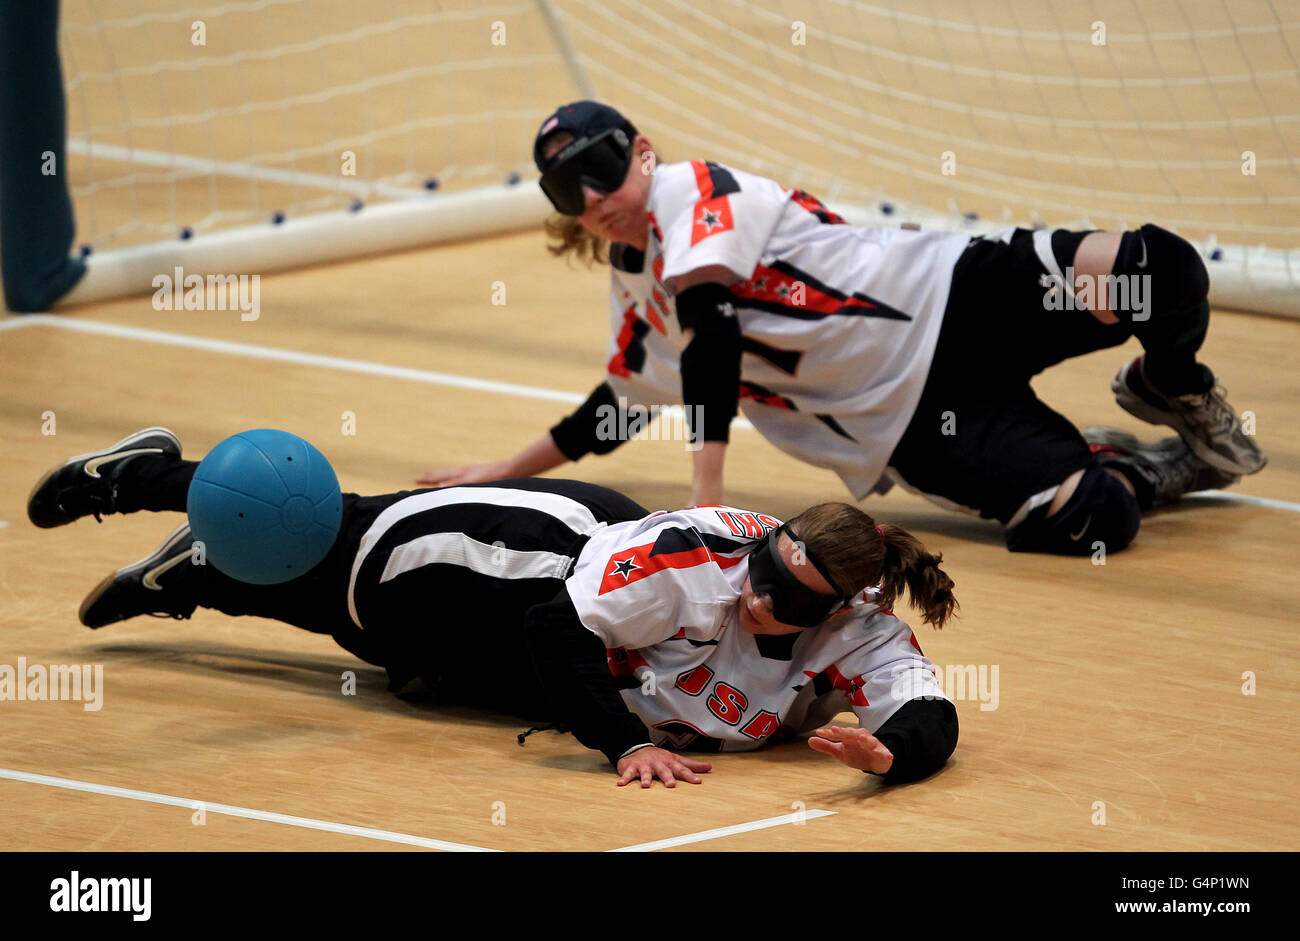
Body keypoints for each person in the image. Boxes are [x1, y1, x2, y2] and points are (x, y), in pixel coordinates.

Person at [419, 101, 1265, 557]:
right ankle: (1129, 465)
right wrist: (504, 469)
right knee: (1094, 521)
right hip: (906, 426)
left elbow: (710, 334)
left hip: (950, 292)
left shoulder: (696, 191)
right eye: (567, 193)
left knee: (1162, 270)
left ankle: (1174, 384)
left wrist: (705, 502)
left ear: (640, 152)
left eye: (599, 169)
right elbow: (622, 405)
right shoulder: (633, 290)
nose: (593, 199)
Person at [29, 428, 960, 788]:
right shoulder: (694, 562)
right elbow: (560, 626)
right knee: (330, 547)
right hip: (524, 564)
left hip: (555, 663)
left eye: (788, 601)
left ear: (840, 607)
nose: (757, 598)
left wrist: (895, 752)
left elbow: (928, 709)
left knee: (382, 654)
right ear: (762, 543)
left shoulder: (859, 633)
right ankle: (143, 478)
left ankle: (199, 574)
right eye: (762, 571)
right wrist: (625, 745)